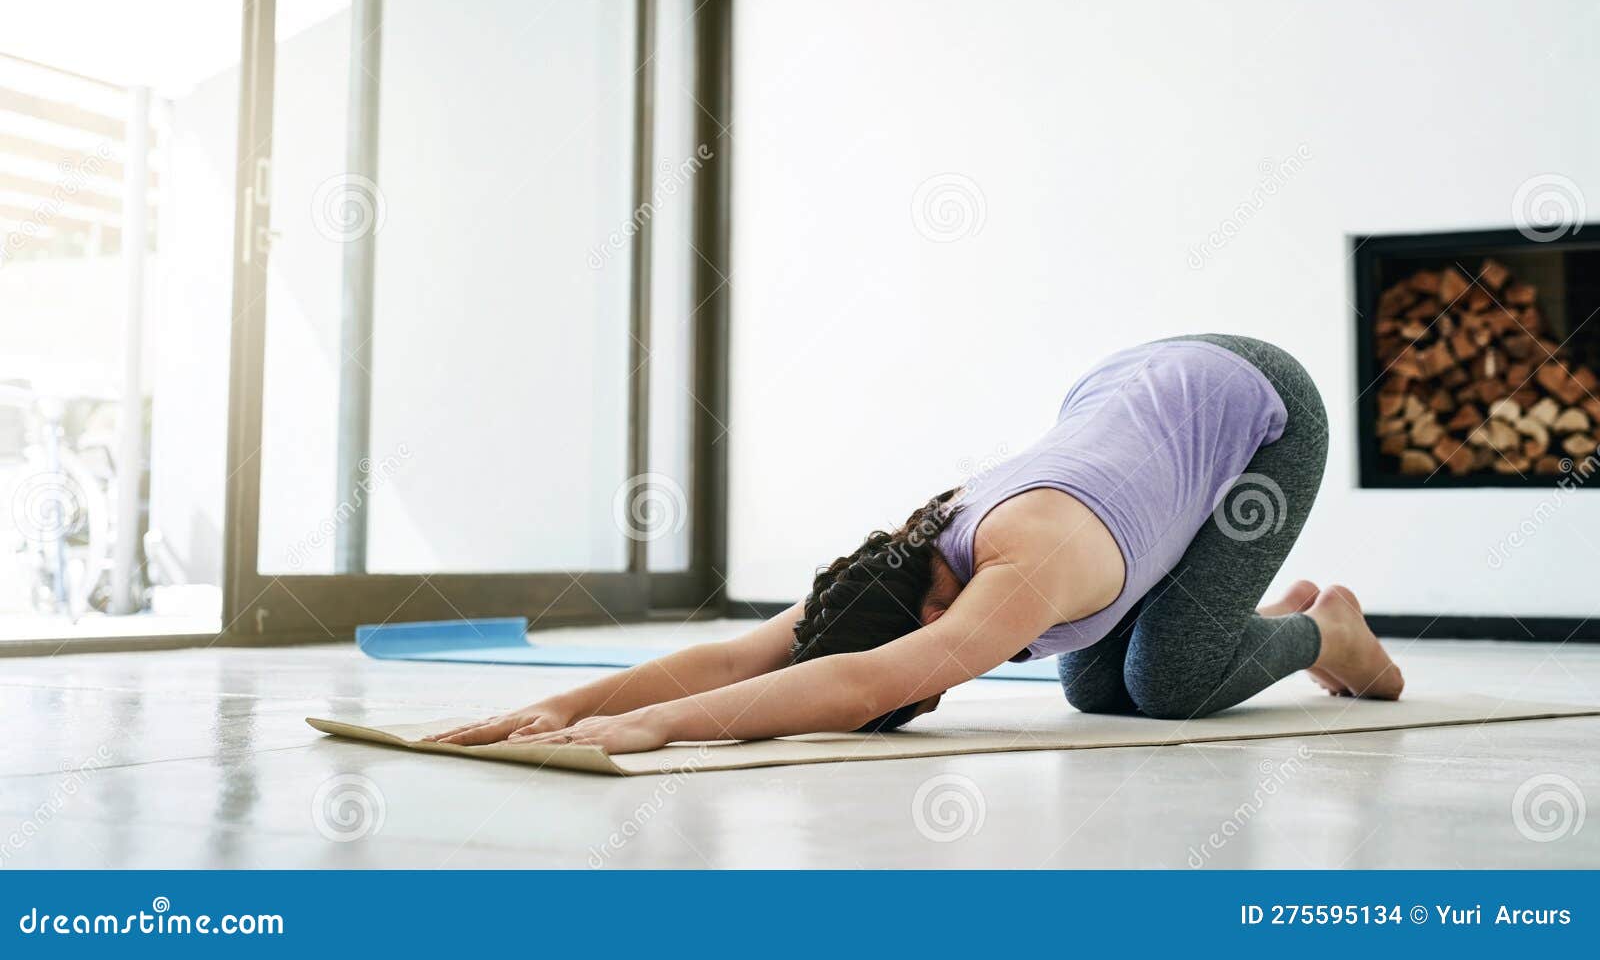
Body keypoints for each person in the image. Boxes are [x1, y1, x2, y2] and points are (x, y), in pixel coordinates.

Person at [429, 334, 1403, 755]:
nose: (923, 688)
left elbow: (862, 683)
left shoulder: (1019, 571)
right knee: (1099, 688)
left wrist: (659, 727)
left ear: (932, 615)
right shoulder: (904, 556)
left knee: (1170, 683)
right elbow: (741, 654)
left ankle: (1329, 629)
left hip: (1260, 414)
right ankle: (1263, 621)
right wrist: (554, 703)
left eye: (920, 669)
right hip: (1139, 380)